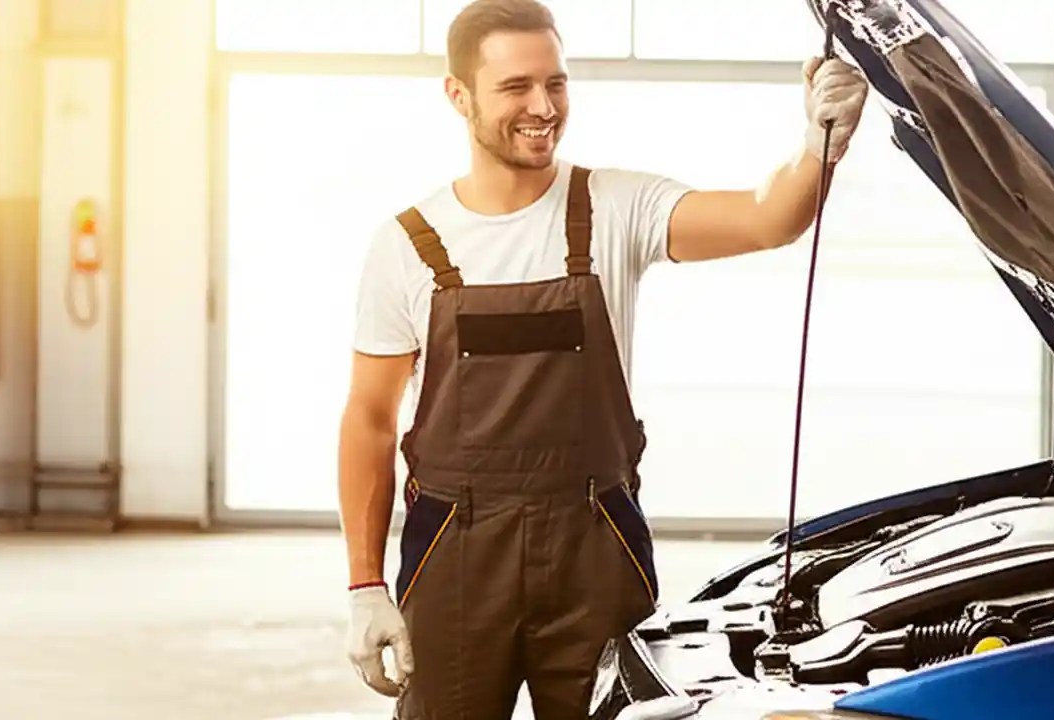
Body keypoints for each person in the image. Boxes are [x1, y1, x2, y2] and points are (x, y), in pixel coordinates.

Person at [336, 0, 868, 717]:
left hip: (593, 544)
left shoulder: (614, 206)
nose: (542, 106)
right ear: (458, 95)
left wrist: (818, 147)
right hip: (457, 555)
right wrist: (365, 585)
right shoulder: (408, 244)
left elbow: (767, 218)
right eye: (516, 87)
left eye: (555, 84)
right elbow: (369, 419)